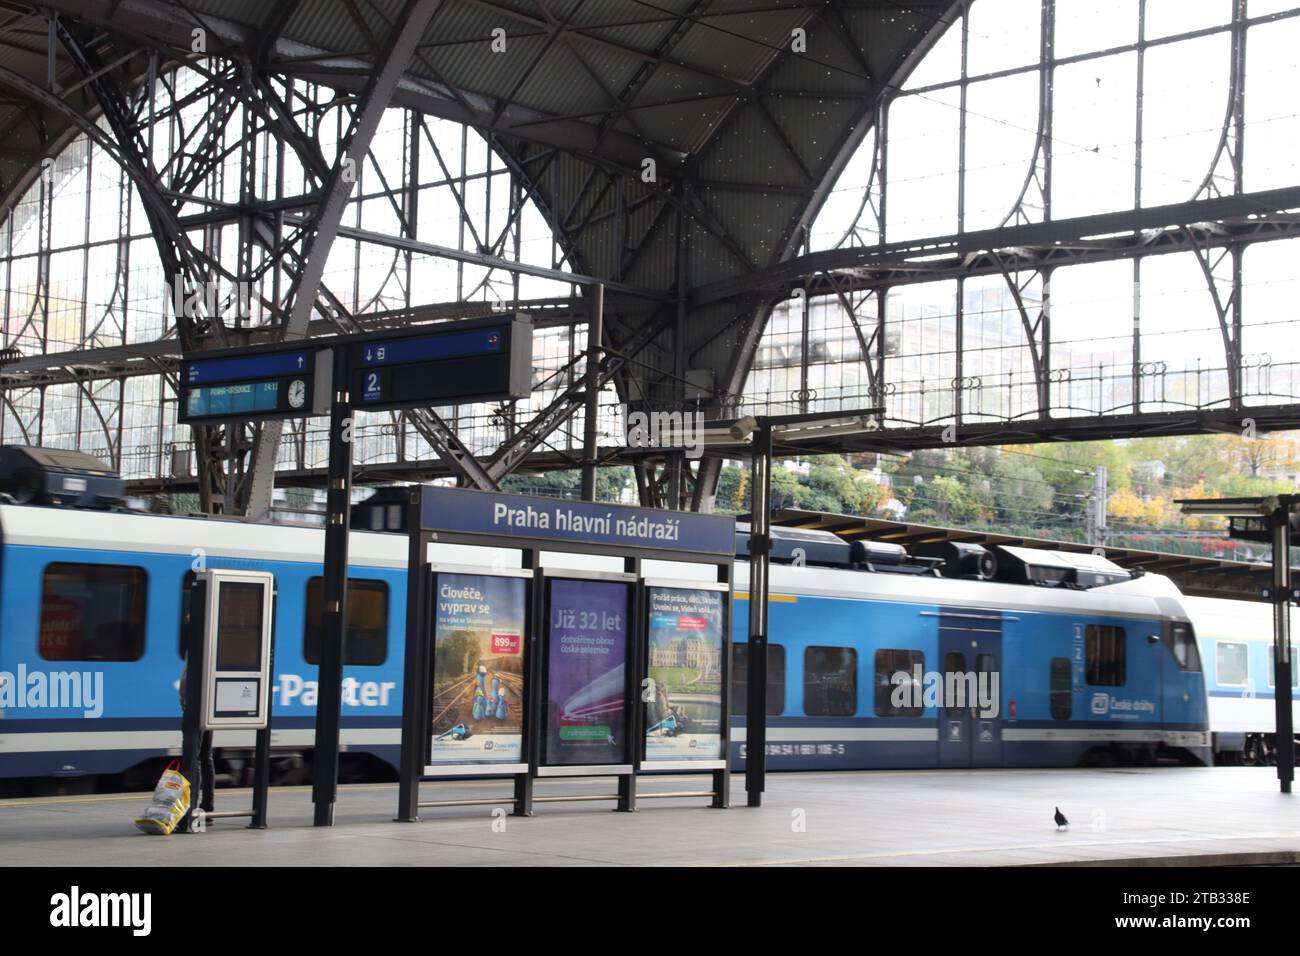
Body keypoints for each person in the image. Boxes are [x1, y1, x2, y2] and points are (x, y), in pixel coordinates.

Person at [178, 653, 216, 819]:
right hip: (207, 709)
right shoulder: (209, 642)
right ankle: (207, 807)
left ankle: (191, 809)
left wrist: (185, 701)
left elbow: (188, 679)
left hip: (196, 708)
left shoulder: (198, 642)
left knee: (195, 758)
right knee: (205, 757)